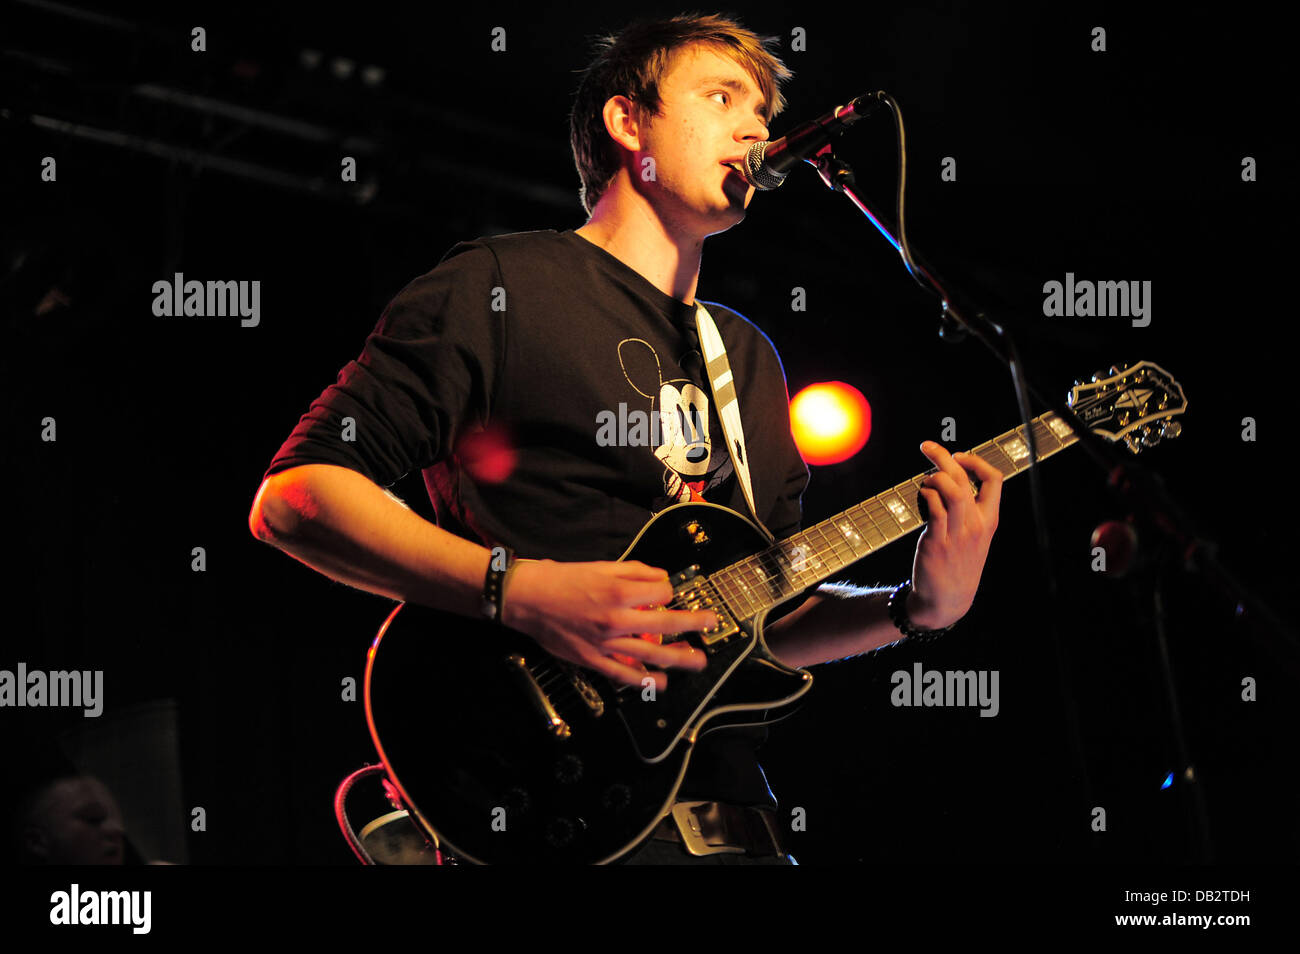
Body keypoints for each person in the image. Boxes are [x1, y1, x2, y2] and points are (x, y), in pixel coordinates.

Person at [248, 13, 1002, 865]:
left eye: (759, 108)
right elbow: (297, 497)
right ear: (627, 122)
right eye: (722, 97)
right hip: (554, 806)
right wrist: (518, 591)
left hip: (734, 829)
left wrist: (915, 608)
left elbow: (764, 621)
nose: (756, 127)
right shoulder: (498, 286)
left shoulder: (744, 353)